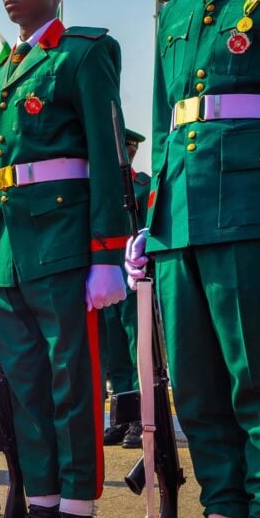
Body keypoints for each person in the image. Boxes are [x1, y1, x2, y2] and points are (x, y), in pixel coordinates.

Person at [0, 0, 129, 518]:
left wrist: (107, 252)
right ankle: (41, 507)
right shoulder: (2, 74)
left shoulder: (84, 54)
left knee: (72, 386)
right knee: (26, 390)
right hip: (10, 250)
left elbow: (106, 154)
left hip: (66, 246)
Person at [127, 0, 260, 518]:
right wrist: (152, 218)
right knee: (199, 390)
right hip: (181, 218)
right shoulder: (179, 3)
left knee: (256, 383)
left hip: (251, 207)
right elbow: (163, 119)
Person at [100, 129, 149, 448]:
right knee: (115, 352)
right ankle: (121, 418)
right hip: (106, 279)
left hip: (133, 279)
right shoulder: (101, 188)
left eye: (128, 149)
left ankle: (141, 419)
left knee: (137, 350)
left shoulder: (143, 186)